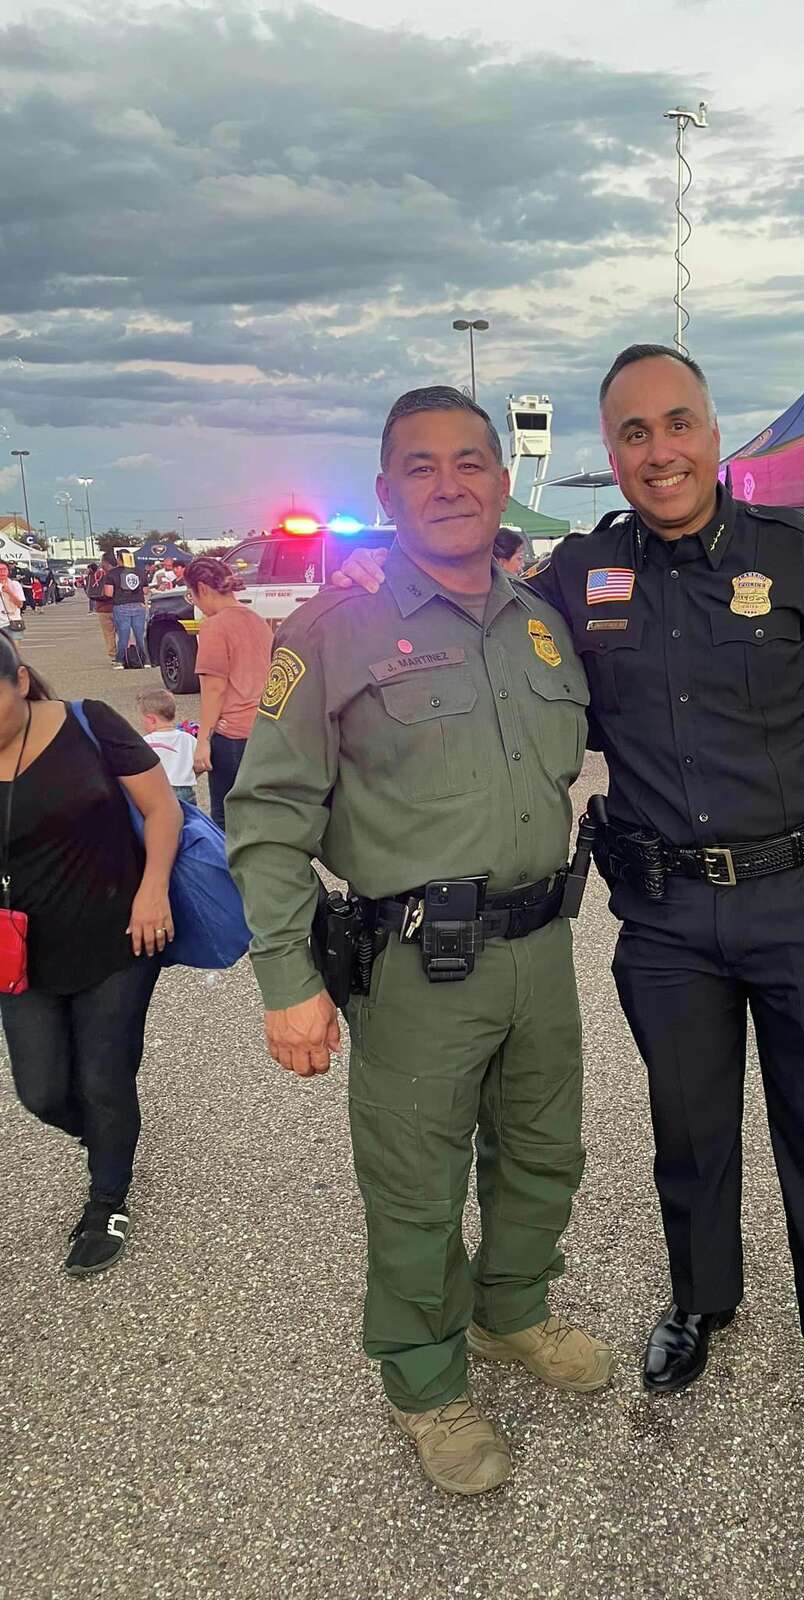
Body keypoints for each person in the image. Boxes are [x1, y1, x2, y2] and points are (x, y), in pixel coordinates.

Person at [336, 347, 804, 1455]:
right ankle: (702, 1302)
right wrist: (374, 580)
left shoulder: (799, 558)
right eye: (634, 436)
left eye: (678, 425)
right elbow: (473, 606)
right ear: (612, 455)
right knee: (690, 1129)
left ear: (714, 431)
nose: (660, 452)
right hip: (664, 914)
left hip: (801, 897)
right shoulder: (577, 577)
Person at [226, 387, 610, 1496]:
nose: (451, 484)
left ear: (503, 483)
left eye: (471, 462)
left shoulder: (543, 621)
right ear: (386, 493)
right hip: (415, 966)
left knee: (544, 1157)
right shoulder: (330, 631)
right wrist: (285, 981)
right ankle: (428, 1386)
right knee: (415, 1187)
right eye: (423, 467)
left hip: (542, 950)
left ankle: (511, 1315)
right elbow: (265, 819)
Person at [0, 634, 181, 1274]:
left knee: (105, 1078)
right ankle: (111, 1137)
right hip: (20, 958)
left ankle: (108, 1197)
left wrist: (152, 890)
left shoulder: (89, 724)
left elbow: (162, 809)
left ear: (21, 680)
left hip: (119, 937)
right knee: (43, 1092)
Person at [183, 556, 273, 830]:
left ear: (204, 588)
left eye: (193, 596)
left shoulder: (215, 625)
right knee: (260, 816)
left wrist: (204, 740)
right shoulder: (258, 620)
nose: (195, 603)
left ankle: (227, 874)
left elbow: (214, 687)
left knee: (226, 820)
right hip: (265, 732)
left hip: (232, 735)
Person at [137, 686, 198, 805]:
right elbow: (200, 763)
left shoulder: (146, 742)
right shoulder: (188, 739)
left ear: (151, 719)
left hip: (157, 790)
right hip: (185, 789)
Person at [101, 555, 148, 669]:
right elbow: (145, 591)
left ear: (118, 559)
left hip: (121, 605)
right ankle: (145, 660)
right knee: (140, 635)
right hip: (138, 605)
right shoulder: (140, 572)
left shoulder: (112, 573)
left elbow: (109, 593)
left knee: (123, 635)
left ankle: (120, 661)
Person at [0, 564, 26, 634]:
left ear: (8, 571)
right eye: (0, 570)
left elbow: (20, 605)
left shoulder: (15, 584)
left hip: (13, 623)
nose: (2, 572)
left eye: (4, 569)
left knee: (13, 645)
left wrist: (9, 592)